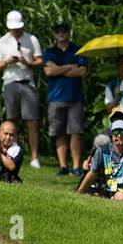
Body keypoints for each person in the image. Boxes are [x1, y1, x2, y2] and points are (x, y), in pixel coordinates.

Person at [0, 10, 44, 167]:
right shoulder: (2, 41)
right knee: (11, 121)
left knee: (32, 120)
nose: (15, 30)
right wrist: (8, 62)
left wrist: (27, 62)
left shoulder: (31, 39)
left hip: (27, 82)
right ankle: (11, 153)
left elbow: (40, 61)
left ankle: (34, 158)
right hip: (10, 82)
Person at [41, 21, 88, 177]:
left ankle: (75, 166)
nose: (61, 33)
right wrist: (69, 67)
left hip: (75, 96)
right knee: (59, 132)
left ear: (68, 32)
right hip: (56, 97)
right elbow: (48, 72)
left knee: (75, 132)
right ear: (54, 34)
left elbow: (81, 72)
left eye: (64, 30)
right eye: (58, 31)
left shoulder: (78, 50)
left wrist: (59, 69)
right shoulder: (49, 52)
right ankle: (63, 166)